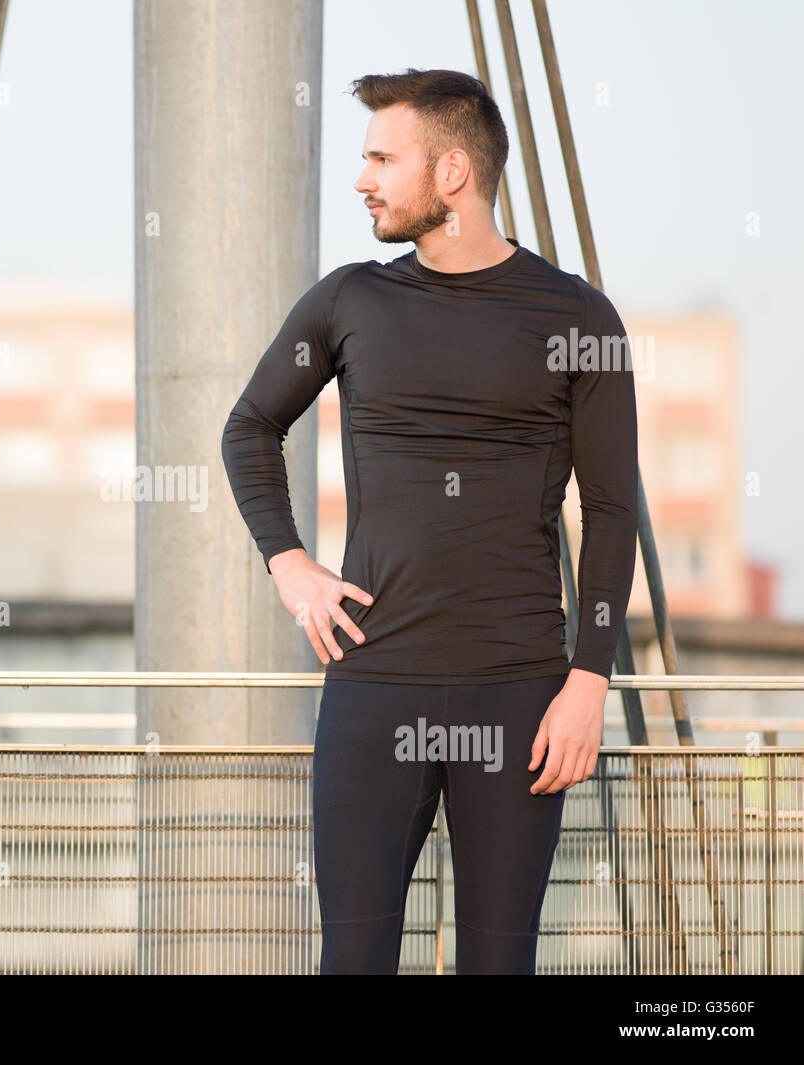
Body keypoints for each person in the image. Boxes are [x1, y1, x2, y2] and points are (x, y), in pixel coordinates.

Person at [219, 68, 638, 974]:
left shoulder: (579, 317)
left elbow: (612, 512)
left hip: (522, 694)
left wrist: (588, 683)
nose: (362, 178)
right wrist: (288, 562)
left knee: (500, 963)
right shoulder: (349, 300)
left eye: (381, 157)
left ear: (453, 172)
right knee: (354, 960)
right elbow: (251, 425)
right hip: (375, 687)